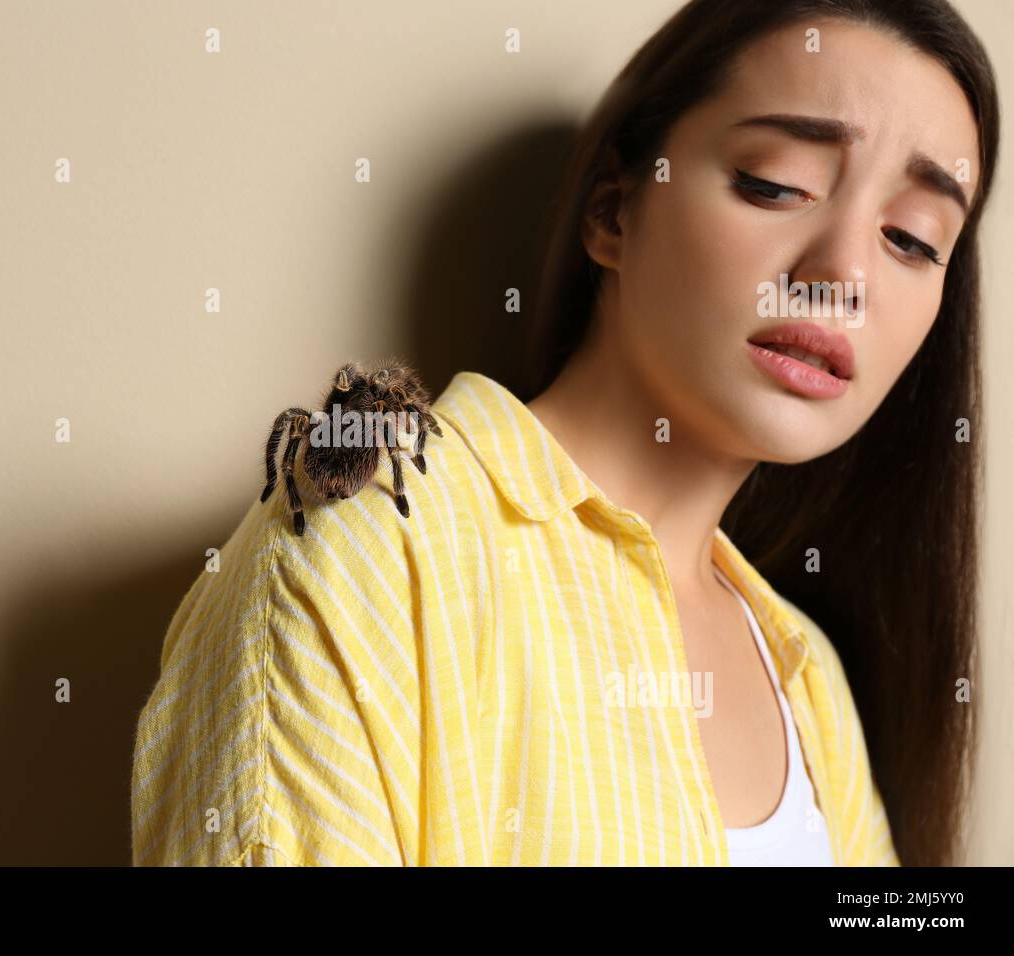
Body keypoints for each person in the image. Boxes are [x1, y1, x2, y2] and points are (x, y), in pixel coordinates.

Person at [131, 0, 998, 866]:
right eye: (775, 182)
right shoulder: (367, 549)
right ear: (613, 212)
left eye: (913, 240)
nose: (843, 273)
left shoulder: (807, 677)